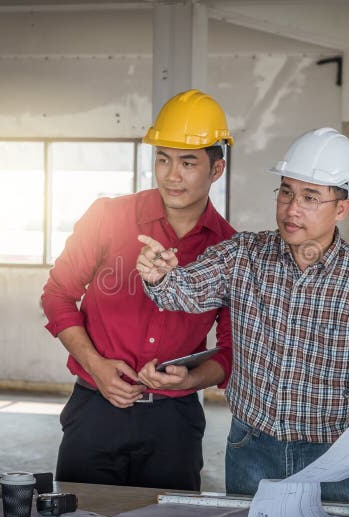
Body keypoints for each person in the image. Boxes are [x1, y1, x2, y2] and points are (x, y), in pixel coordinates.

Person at [135, 127, 349, 504]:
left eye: (310, 197)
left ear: (341, 208)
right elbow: (188, 289)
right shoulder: (244, 254)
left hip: (334, 456)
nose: (292, 208)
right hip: (251, 449)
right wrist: (162, 277)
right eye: (286, 192)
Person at [41, 89, 236, 491]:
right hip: (94, 411)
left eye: (187, 162)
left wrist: (189, 381)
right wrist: (96, 365)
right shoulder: (109, 217)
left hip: (174, 424)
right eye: (162, 159)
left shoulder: (229, 250)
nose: (171, 174)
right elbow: (57, 295)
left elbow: (232, 349)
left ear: (216, 169)